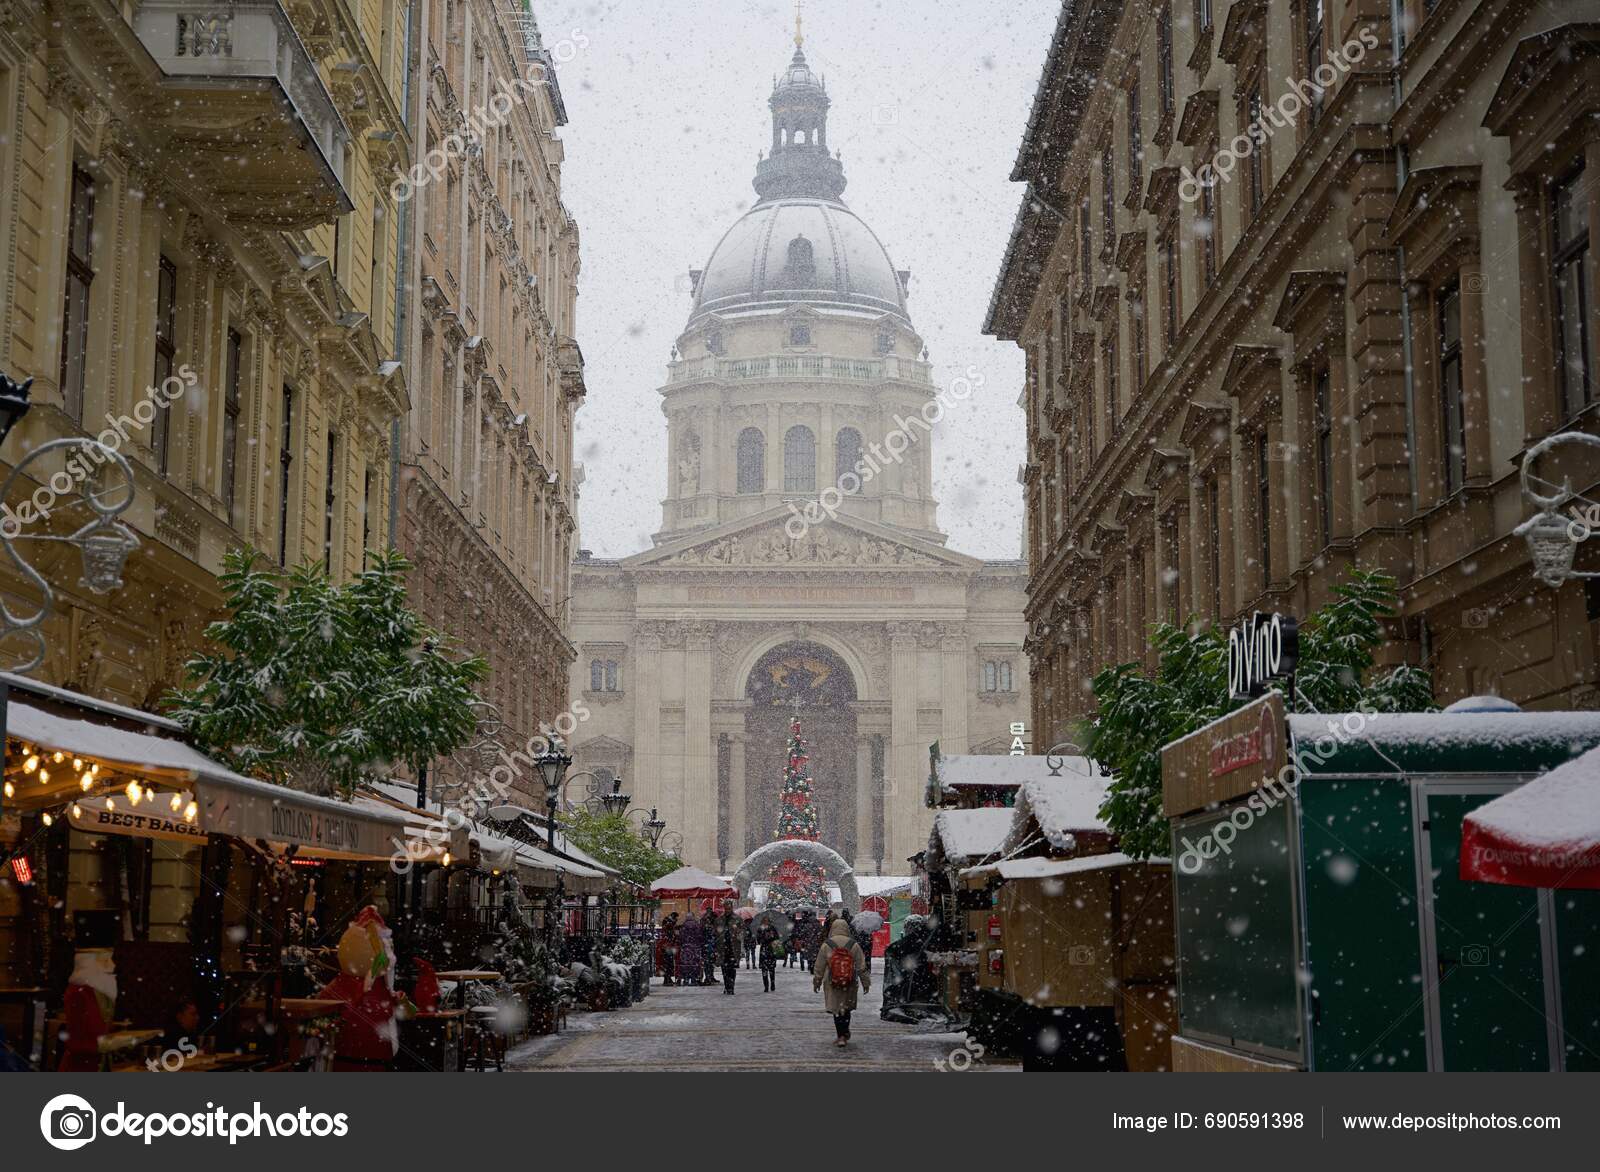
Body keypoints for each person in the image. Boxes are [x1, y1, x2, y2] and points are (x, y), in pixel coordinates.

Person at [814, 915, 870, 1046]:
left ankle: (840, 1036)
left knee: (837, 1009)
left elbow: (819, 966)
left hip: (832, 981)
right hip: (848, 981)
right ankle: (844, 1032)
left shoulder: (827, 945)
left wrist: (816, 981)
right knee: (846, 1008)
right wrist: (865, 983)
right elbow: (862, 966)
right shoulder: (853, 944)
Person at [717, 909, 742, 994]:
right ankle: (727, 986)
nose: (727, 909)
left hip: (733, 949)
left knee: (732, 969)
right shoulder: (720, 919)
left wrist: (737, 931)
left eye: (729, 906)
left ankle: (731, 987)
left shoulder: (737, 919)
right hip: (723, 949)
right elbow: (716, 933)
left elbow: (742, 933)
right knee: (724, 970)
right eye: (726, 907)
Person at [678, 910, 704, 988]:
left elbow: (681, 937)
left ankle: (686, 978)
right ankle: (694, 979)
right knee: (695, 963)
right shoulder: (697, 925)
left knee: (685, 963)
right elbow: (700, 936)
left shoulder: (683, 926)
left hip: (685, 947)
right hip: (695, 947)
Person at [757, 914, 781, 992]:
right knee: (764, 970)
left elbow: (777, 938)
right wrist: (763, 936)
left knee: (771, 969)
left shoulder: (773, 928)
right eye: (764, 920)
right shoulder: (760, 929)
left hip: (771, 950)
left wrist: (771, 936)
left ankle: (772, 983)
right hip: (764, 950)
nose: (766, 922)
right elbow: (758, 940)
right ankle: (766, 986)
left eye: (767, 920)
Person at [659, 912, 681, 986]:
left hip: (665, 946)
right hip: (668, 947)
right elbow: (672, 935)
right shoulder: (669, 924)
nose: (676, 920)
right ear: (673, 917)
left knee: (667, 963)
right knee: (668, 963)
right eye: (676, 918)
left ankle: (667, 979)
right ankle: (667, 979)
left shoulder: (668, 923)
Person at [699, 907, 719, 985]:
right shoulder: (707, 923)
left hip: (708, 946)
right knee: (709, 962)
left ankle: (709, 977)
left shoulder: (704, 921)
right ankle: (709, 977)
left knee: (709, 962)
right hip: (709, 946)